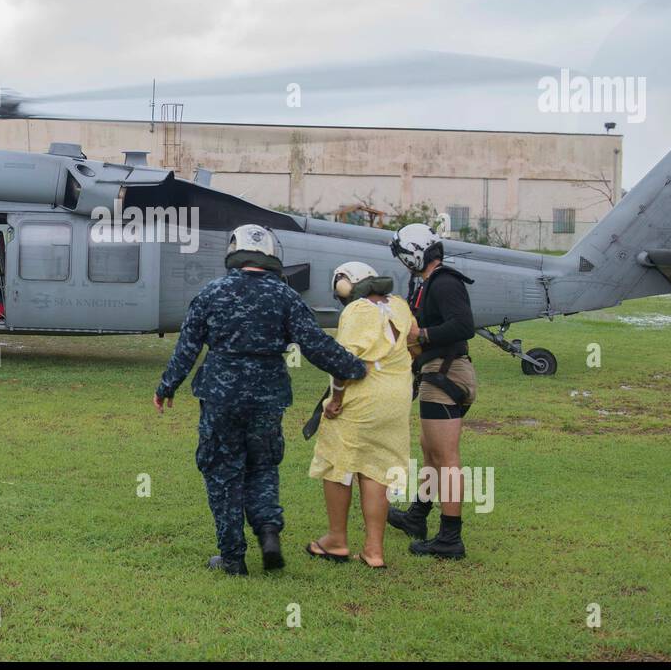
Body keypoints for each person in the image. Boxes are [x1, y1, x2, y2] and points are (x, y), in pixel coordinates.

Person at [154, 224, 369, 576]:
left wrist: (167, 387)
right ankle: (268, 531)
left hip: (220, 397)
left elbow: (187, 347)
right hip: (268, 396)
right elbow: (315, 344)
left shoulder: (211, 292)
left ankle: (232, 557)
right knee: (262, 466)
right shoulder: (285, 296)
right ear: (271, 255)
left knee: (223, 473)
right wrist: (355, 367)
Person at [306, 262, 413, 569]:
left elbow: (344, 362)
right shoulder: (400, 305)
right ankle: (374, 550)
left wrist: (336, 398)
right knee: (377, 469)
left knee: (337, 462)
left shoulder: (356, 311)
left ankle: (337, 540)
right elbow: (415, 337)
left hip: (364, 397)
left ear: (345, 285)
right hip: (396, 398)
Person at [386, 223, 477, 559]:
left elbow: (464, 325)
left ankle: (450, 539)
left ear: (413, 254)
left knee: (447, 458)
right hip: (436, 372)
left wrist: (419, 334)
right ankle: (417, 516)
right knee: (430, 451)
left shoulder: (445, 282)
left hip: (446, 374)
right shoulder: (429, 284)